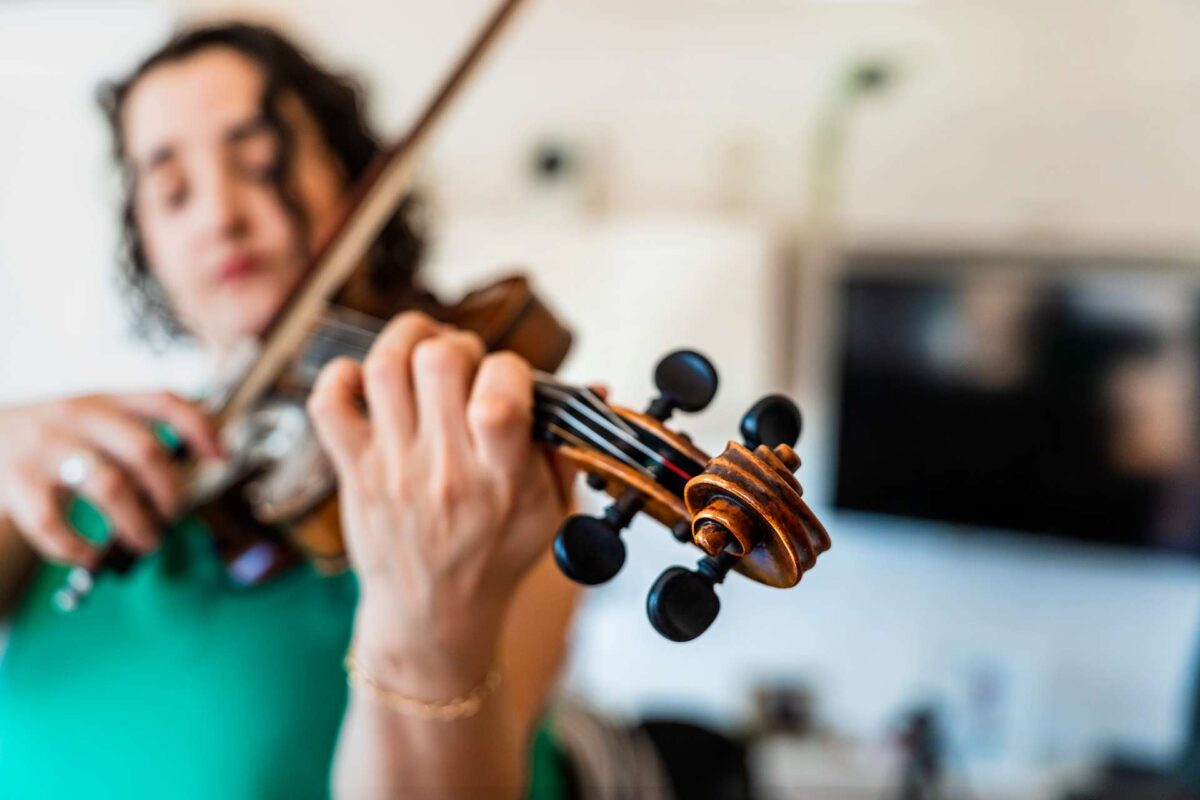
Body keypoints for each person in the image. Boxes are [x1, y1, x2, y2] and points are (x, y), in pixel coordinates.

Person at [0, 21, 581, 800]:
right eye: (172, 192)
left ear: (354, 185)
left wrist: (428, 628)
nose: (219, 217)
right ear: (147, 245)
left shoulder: (466, 462)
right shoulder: (92, 471)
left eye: (258, 162)